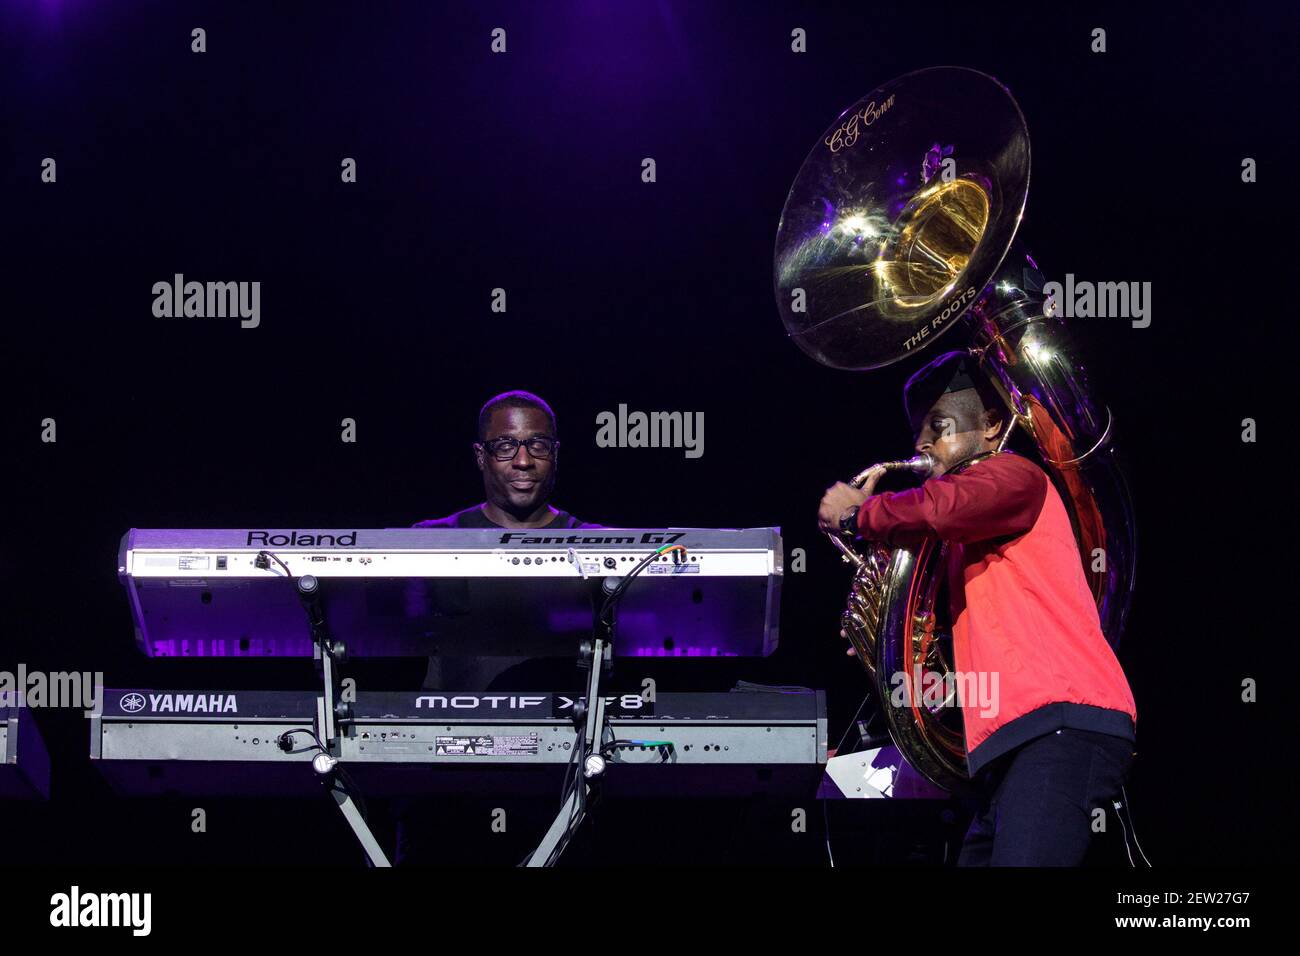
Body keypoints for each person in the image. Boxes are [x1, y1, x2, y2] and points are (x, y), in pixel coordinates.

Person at [817, 351, 1137, 866]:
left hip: (1060, 726)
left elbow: (942, 506)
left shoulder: (1016, 475)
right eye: (918, 432)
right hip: (1007, 747)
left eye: (937, 427)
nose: (922, 444)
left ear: (991, 426)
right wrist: (887, 637)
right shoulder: (969, 541)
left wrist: (860, 515)